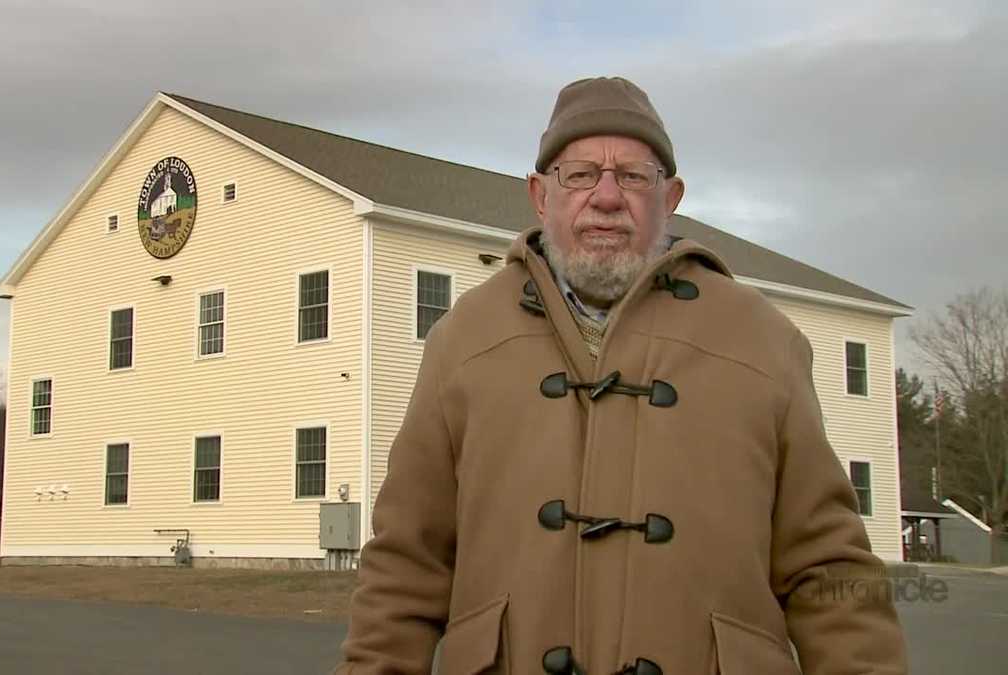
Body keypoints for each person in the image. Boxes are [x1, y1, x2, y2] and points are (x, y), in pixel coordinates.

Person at [336, 77, 908, 674]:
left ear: (672, 197)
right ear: (539, 195)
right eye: (580, 174)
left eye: (634, 176)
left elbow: (829, 570)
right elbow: (405, 565)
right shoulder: (463, 342)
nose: (607, 197)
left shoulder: (763, 342)